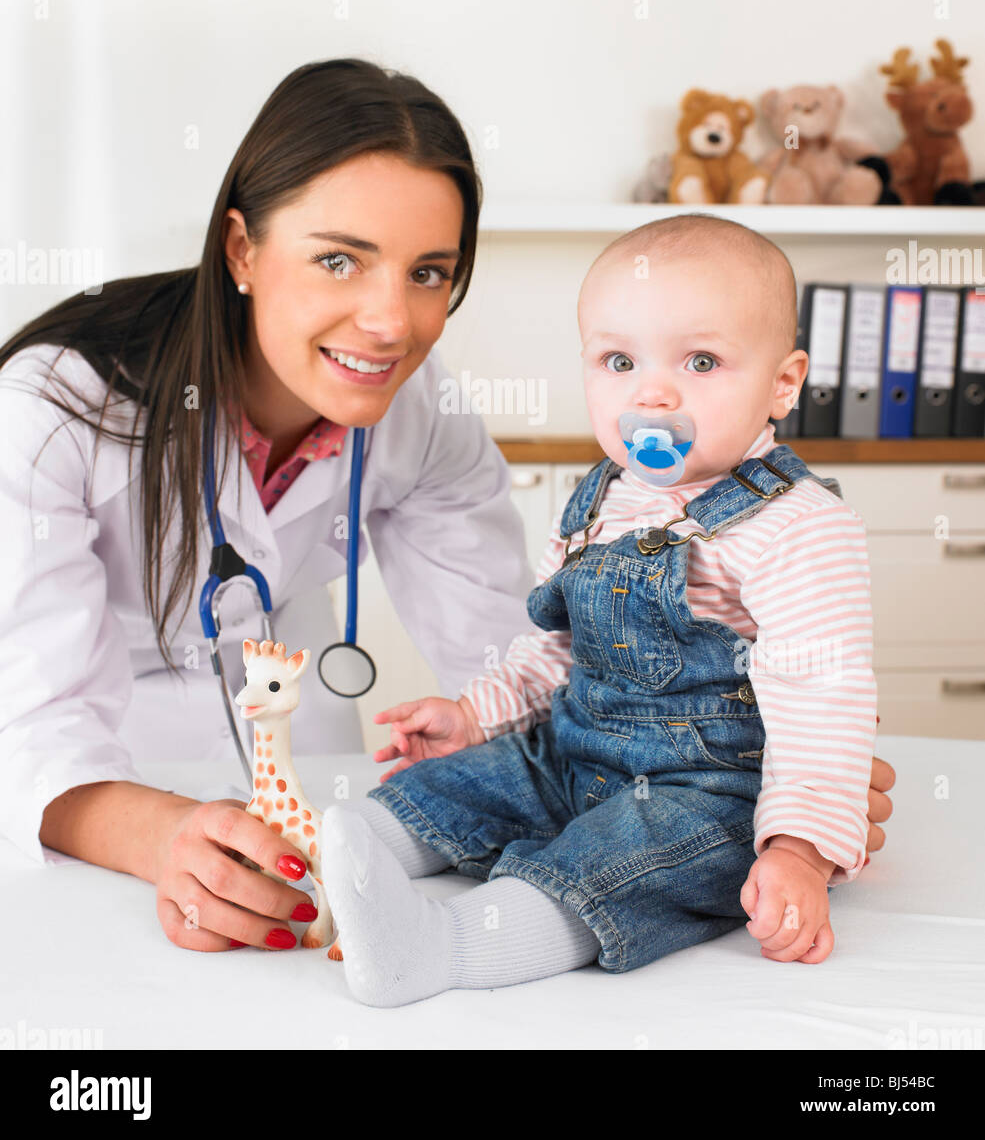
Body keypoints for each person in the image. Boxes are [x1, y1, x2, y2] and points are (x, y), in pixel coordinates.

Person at [0, 63, 894, 957]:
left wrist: (789, 794)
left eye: (428, 272)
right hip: (87, 766)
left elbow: (524, 650)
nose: (390, 322)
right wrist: (160, 836)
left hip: (283, 714)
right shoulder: (49, 408)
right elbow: (31, 722)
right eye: (338, 259)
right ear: (241, 249)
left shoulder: (417, 403)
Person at [318, 212, 886, 1006]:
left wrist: (797, 847)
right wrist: (477, 715)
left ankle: (439, 949)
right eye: (618, 360)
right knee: (462, 782)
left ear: (781, 383)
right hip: (573, 752)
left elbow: (822, 697)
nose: (651, 392)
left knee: (616, 864)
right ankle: (341, 864)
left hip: (705, 793)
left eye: (700, 360)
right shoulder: (599, 498)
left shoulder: (795, 524)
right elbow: (553, 646)